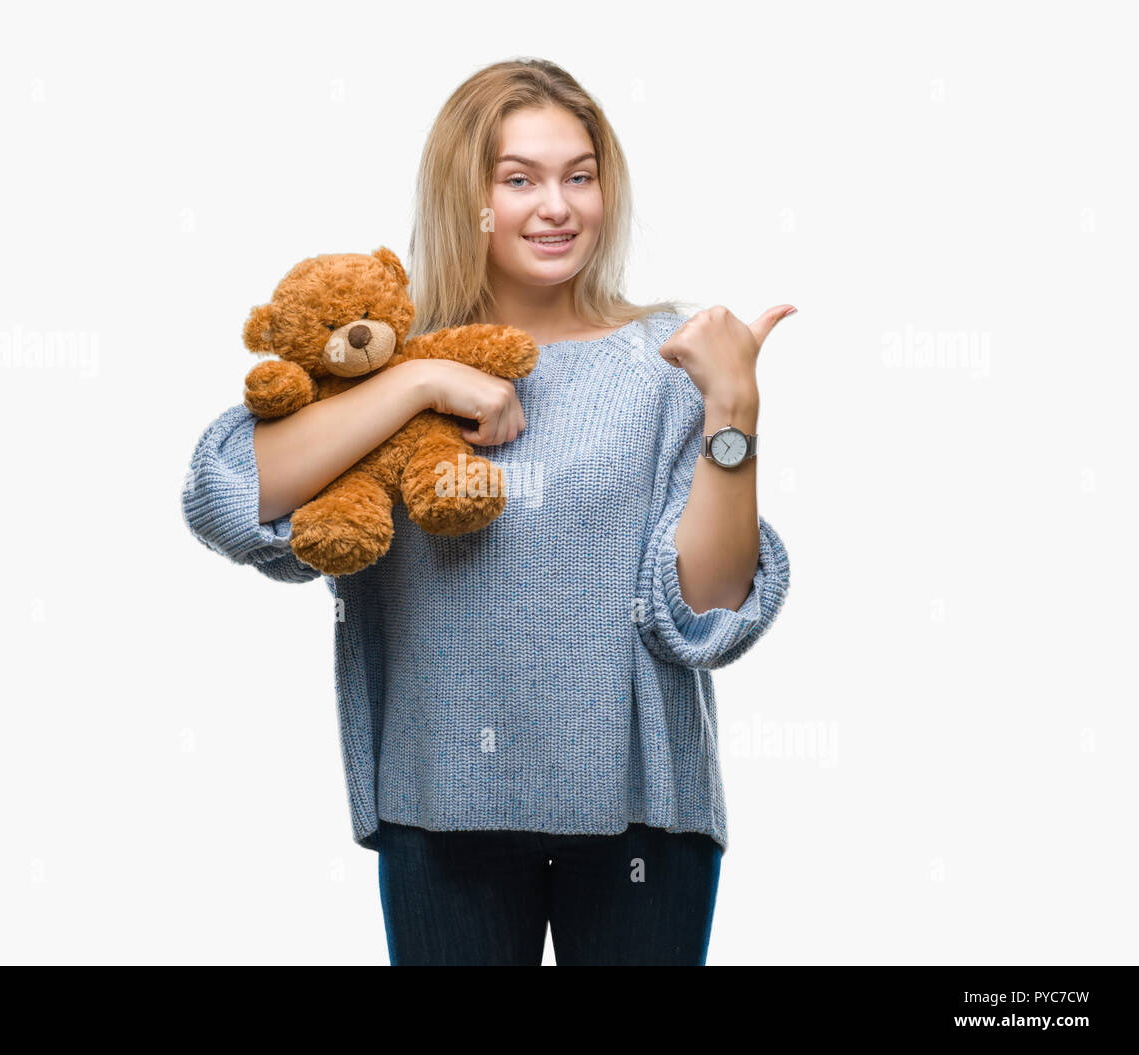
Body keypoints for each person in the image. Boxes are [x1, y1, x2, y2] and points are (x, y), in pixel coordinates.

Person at [181, 58, 794, 966]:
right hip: (440, 804)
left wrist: (733, 413)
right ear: (465, 197)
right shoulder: (378, 354)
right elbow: (230, 496)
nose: (558, 206)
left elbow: (701, 615)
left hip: (640, 814)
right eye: (520, 179)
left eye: (580, 175)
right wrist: (420, 378)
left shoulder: (667, 363)